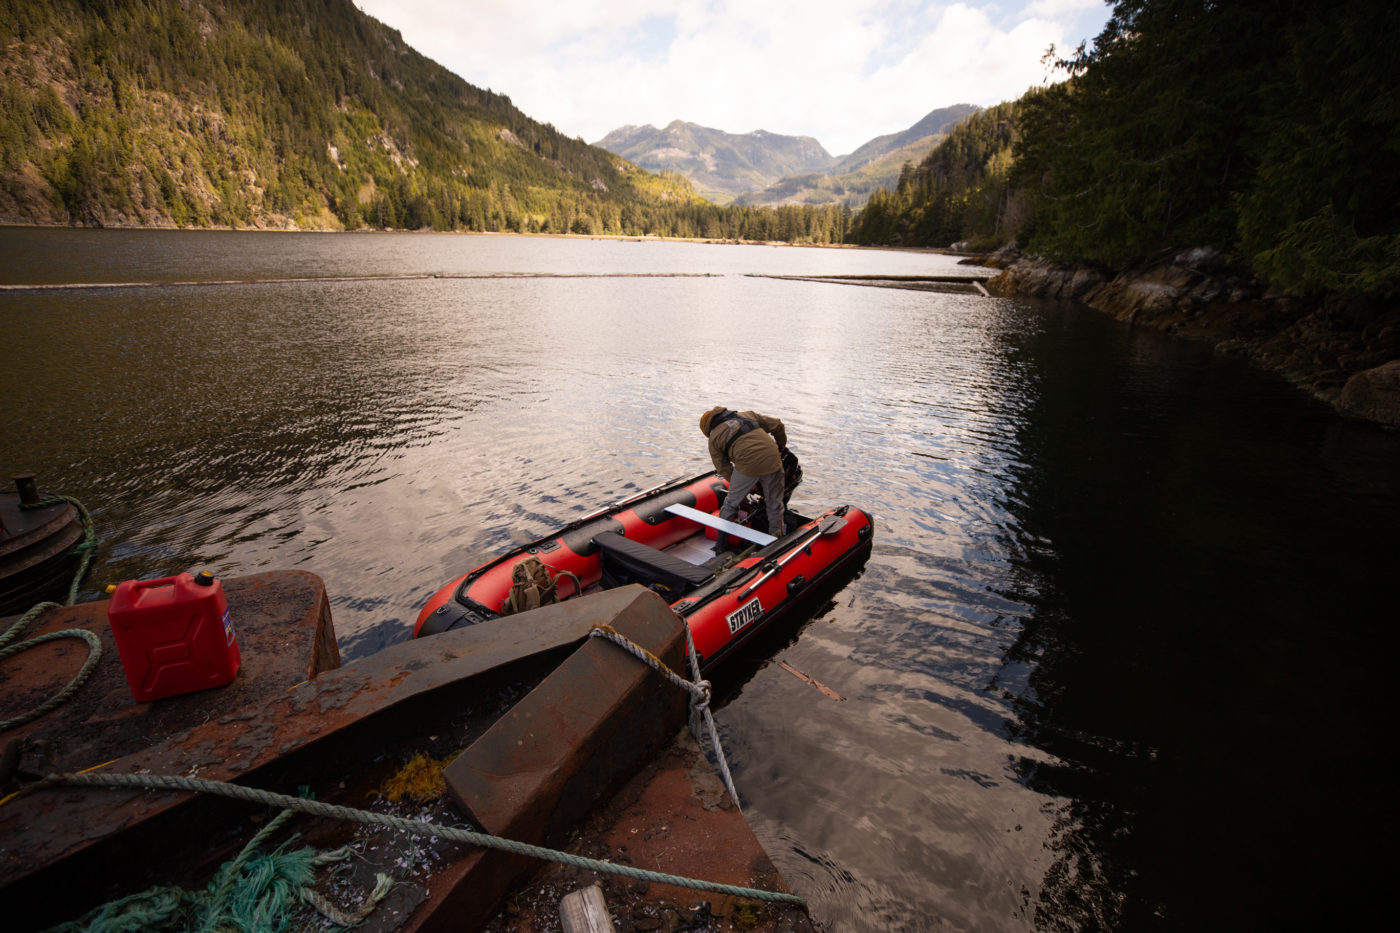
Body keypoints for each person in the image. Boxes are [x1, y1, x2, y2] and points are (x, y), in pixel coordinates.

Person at [699, 406, 788, 547]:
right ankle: (774, 544)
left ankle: (721, 545)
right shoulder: (748, 414)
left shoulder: (714, 438)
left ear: (708, 429)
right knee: (774, 505)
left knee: (730, 504)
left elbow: (723, 468)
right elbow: (777, 424)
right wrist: (781, 443)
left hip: (747, 465)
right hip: (773, 459)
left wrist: (742, 483)